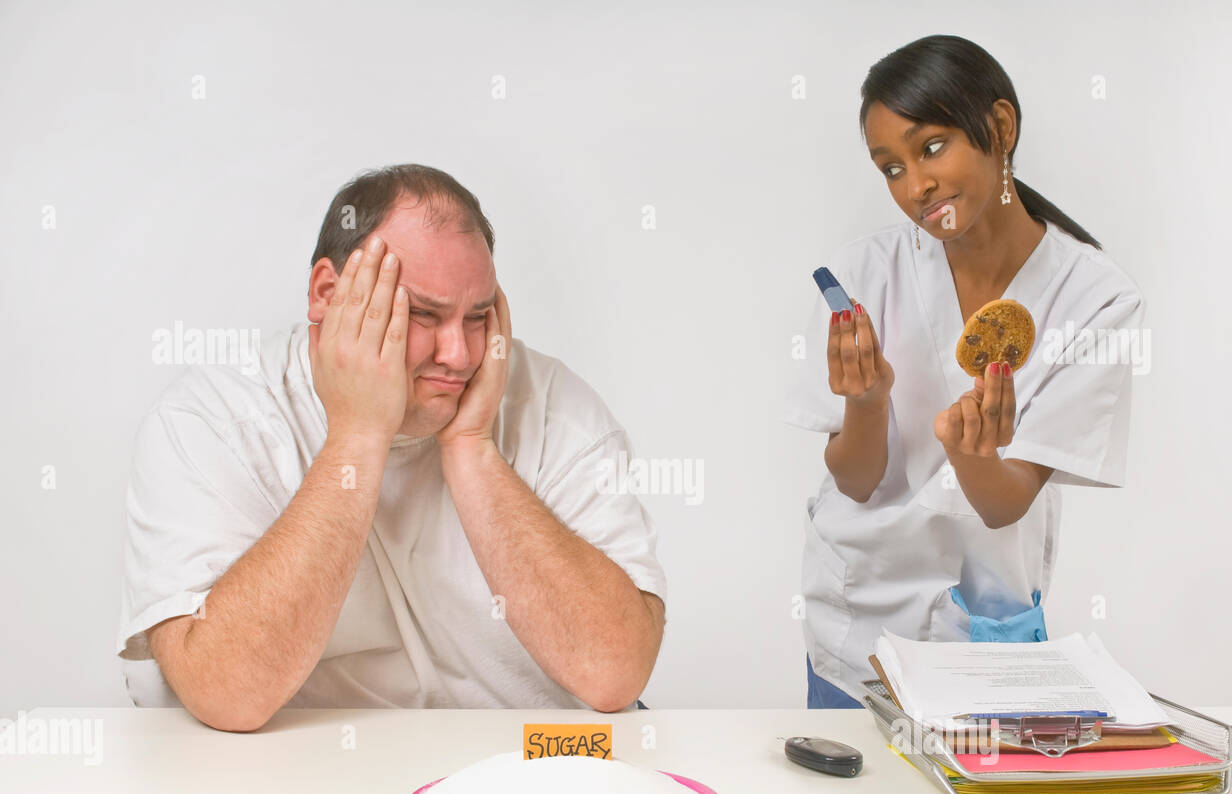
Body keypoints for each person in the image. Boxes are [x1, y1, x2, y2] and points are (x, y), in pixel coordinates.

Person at [117, 164, 667, 729]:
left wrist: (472, 448)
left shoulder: (558, 408)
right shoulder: (209, 421)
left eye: (477, 317)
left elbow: (614, 674)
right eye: (425, 314)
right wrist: (357, 436)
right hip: (303, 778)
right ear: (328, 293)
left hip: (527, 763)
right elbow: (226, 694)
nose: (458, 354)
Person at [783, 36, 1145, 708]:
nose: (915, 187)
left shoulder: (1094, 298)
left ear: (1000, 128)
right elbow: (857, 481)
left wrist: (967, 451)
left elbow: (1005, 502)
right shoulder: (863, 277)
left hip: (986, 641)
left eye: (930, 148)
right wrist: (867, 401)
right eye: (890, 168)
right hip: (856, 630)